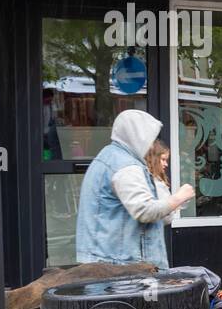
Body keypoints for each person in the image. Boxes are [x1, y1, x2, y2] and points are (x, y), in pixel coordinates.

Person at [75, 109, 194, 269]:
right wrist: (179, 197)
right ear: (138, 135)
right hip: (122, 267)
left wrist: (171, 205)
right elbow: (144, 211)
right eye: (150, 138)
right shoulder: (126, 167)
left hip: (106, 262)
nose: (151, 144)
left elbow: (154, 218)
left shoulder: (108, 156)